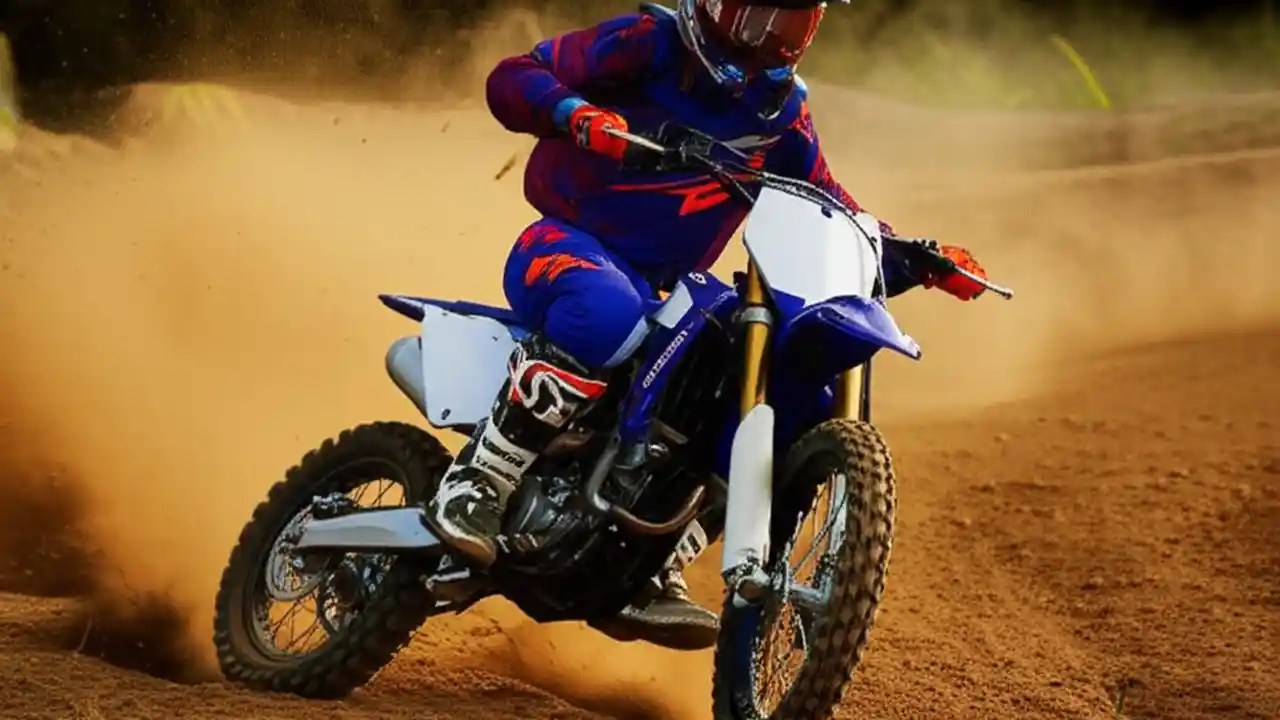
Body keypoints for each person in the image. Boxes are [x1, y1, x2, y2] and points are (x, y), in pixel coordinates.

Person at [424, 0, 988, 648]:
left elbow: (828, 203)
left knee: (765, 377)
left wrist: (921, 257)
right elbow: (515, 76)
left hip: (662, 288)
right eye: (760, 18)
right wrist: (573, 116)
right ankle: (480, 480)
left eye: (793, 23)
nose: (773, 40)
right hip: (566, 245)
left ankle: (658, 553)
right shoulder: (652, 42)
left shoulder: (781, 114)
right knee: (608, 313)